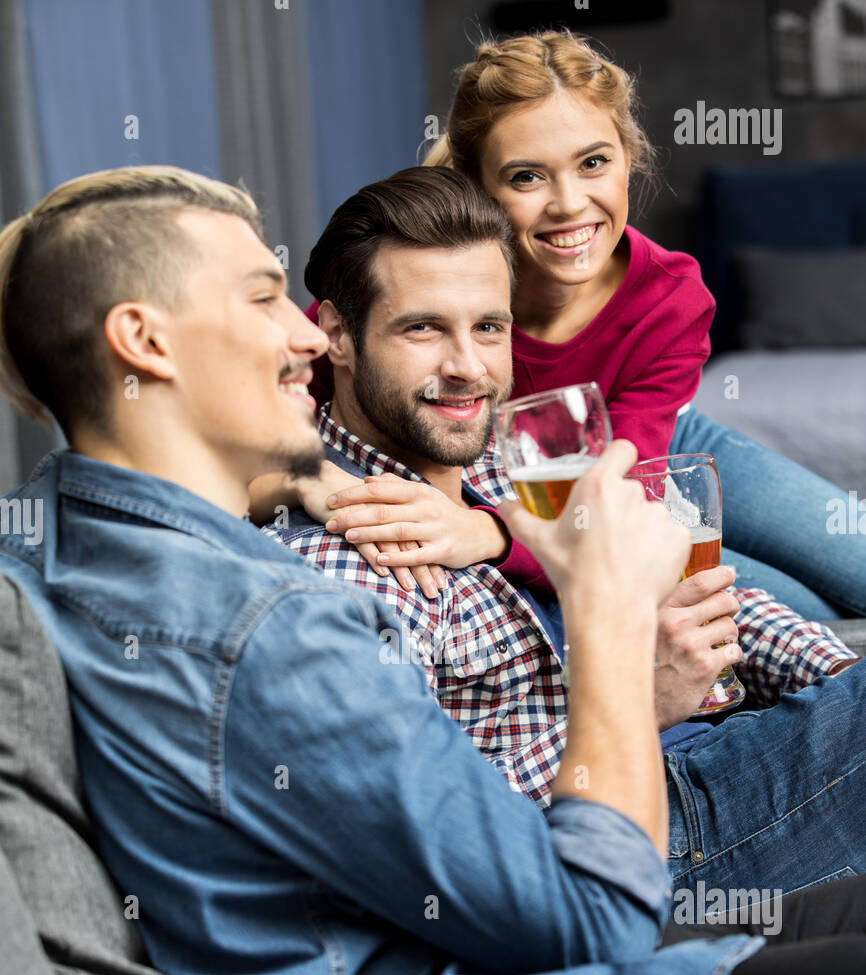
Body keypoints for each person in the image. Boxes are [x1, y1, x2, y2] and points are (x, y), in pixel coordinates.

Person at [1, 167, 865, 975]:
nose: (303, 337)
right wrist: (602, 607)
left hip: (499, 965)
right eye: (260, 296)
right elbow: (586, 923)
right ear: (145, 341)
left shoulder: (73, 546)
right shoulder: (265, 623)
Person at [256, 166, 858, 816]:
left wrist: (841, 680)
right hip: (633, 837)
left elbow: (712, 600)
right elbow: (418, 828)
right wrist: (638, 703)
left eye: (489, 327)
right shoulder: (343, 556)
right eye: (423, 329)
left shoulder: (514, 459)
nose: (468, 368)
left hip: (709, 757)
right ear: (338, 337)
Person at [299, 30, 866, 622]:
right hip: (514, 483)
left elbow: (611, 515)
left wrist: (489, 537)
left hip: (648, 449)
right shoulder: (420, 293)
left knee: (856, 567)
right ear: (477, 186)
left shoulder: (668, 297)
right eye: (526, 177)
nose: (570, 204)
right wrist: (306, 479)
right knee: (802, 610)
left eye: (593, 162)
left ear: (629, 156)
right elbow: (255, 425)